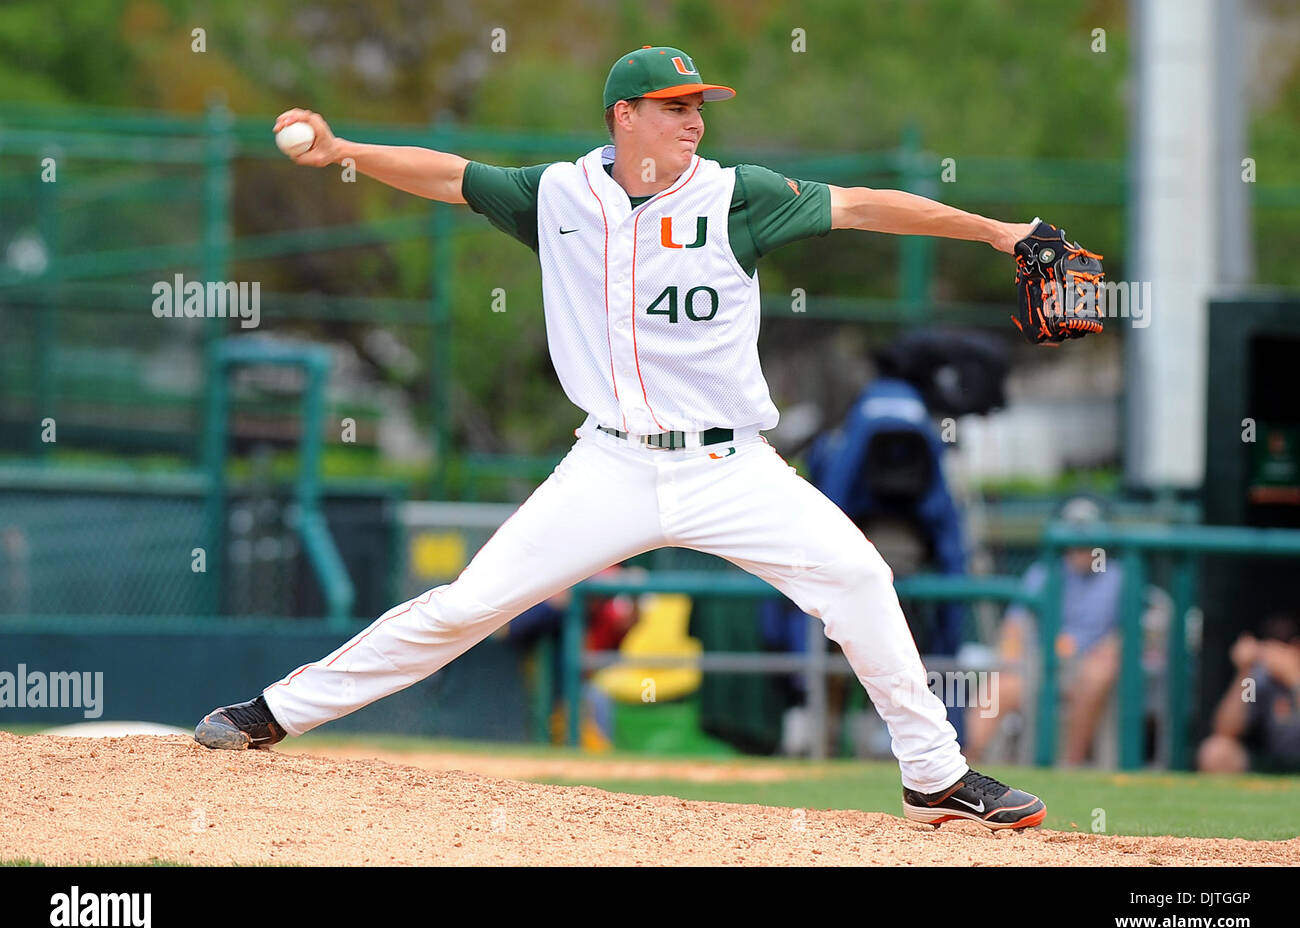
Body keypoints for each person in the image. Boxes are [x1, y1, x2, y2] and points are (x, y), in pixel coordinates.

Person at [196, 45, 1049, 830]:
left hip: (731, 465)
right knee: (467, 603)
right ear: (623, 116)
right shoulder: (559, 195)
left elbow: (867, 207)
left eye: (698, 106)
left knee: (860, 575)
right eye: (675, 105)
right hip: (608, 462)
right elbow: (450, 175)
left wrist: (995, 231)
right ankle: (275, 713)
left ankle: (934, 776)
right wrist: (345, 151)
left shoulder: (735, 195)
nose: (695, 120)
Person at [964, 496, 1125, 766]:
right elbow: (1014, 627)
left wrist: (1108, 650)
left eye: (1087, 539)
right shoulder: (1044, 571)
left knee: (1097, 673)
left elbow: (1136, 632)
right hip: (1040, 664)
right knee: (998, 686)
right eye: (1074, 538)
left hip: (1086, 666)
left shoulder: (1118, 576)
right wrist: (1012, 656)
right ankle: (965, 770)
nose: (1081, 547)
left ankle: (1066, 767)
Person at [1197, 614, 1300, 774]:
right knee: (1216, 751)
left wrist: (1294, 679)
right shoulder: (1260, 679)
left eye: (1284, 643)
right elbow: (1226, 729)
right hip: (1271, 760)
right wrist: (1244, 672)